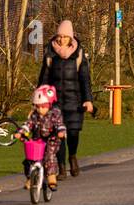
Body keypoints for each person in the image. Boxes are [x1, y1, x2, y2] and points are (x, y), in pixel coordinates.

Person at [36, 20, 93, 177]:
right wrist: (39, 98)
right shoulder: (50, 54)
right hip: (55, 104)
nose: (61, 40)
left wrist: (88, 100)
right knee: (57, 136)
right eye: (59, 36)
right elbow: (44, 79)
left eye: (64, 36)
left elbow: (85, 80)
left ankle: (72, 157)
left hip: (75, 102)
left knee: (73, 134)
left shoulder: (79, 55)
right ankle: (61, 167)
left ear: (70, 37)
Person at [20, 84, 67, 191]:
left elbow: (60, 124)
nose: (40, 109)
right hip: (38, 140)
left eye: (43, 106)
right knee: (29, 159)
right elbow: (28, 124)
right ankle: (30, 178)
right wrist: (21, 131)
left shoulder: (55, 113)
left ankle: (51, 177)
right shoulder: (35, 115)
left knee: (49, 157)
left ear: (49, 104)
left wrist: (60, 131)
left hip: (52, 139)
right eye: (38, 106)